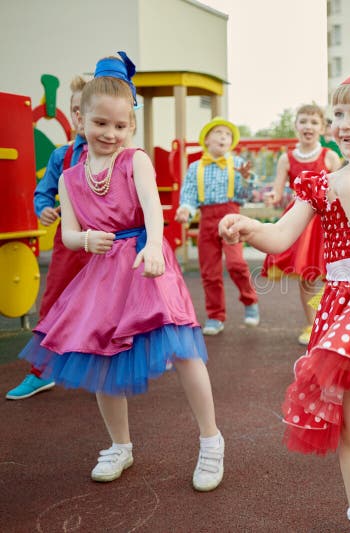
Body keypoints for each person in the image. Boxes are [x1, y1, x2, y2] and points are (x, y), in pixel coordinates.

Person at [219, 70, 350, 533]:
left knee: (343, 346)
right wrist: (248, 226)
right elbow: (280, 238)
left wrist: (349, 190)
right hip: (341, 299)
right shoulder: (319, 183)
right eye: (339, 114)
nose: (344, 123)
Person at [18, 53, 225, 491]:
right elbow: (70, 234)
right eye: (100, 124)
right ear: (81, 121)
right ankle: (120, 446)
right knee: (100, 355)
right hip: (103, 270)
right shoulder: (70, 177)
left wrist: (153, 245)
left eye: (120, 126)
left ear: (130, 126)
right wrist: (84, 241)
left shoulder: (136, 161)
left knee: (183, 345)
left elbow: (153, 208)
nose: (110, 134)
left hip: (147, 262)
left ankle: (211, 440)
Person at [7, 75, 92, 401]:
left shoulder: (118, 155)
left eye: (87, 109)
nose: (80, 117)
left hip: (109, 241)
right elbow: (43, 192)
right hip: (69, 240)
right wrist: (43, 208)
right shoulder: (62, 155)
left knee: (125, 301)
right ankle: (41, 372)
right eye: (75, 110)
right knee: (54, 302)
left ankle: (135, 358)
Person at [263, 104, 341, 345]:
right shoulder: (286, 159)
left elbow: (339, 189)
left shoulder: (329, 156)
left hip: (327, 221)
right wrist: (272, 197)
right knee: (308, 276)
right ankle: (312, 324)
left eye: (314, 122)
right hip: (300, 220)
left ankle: (334, 322)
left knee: (335, 275)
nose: (308, 126)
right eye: (303, 121)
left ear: (322, 128)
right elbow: (277, 190)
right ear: (296, 125)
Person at [175, 117, 259, 336]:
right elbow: (189, 194)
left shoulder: (239, 164)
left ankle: (250, 300)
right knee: (209, 271)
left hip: (231, 217)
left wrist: (248, 181)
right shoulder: (195, 168)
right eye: (218, 132)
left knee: (236, 263)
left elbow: (246, 195)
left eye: (228, 134)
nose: (224, 137)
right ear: (206, 139)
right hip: (207, 220)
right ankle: (215, 316)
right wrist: (186, 209)